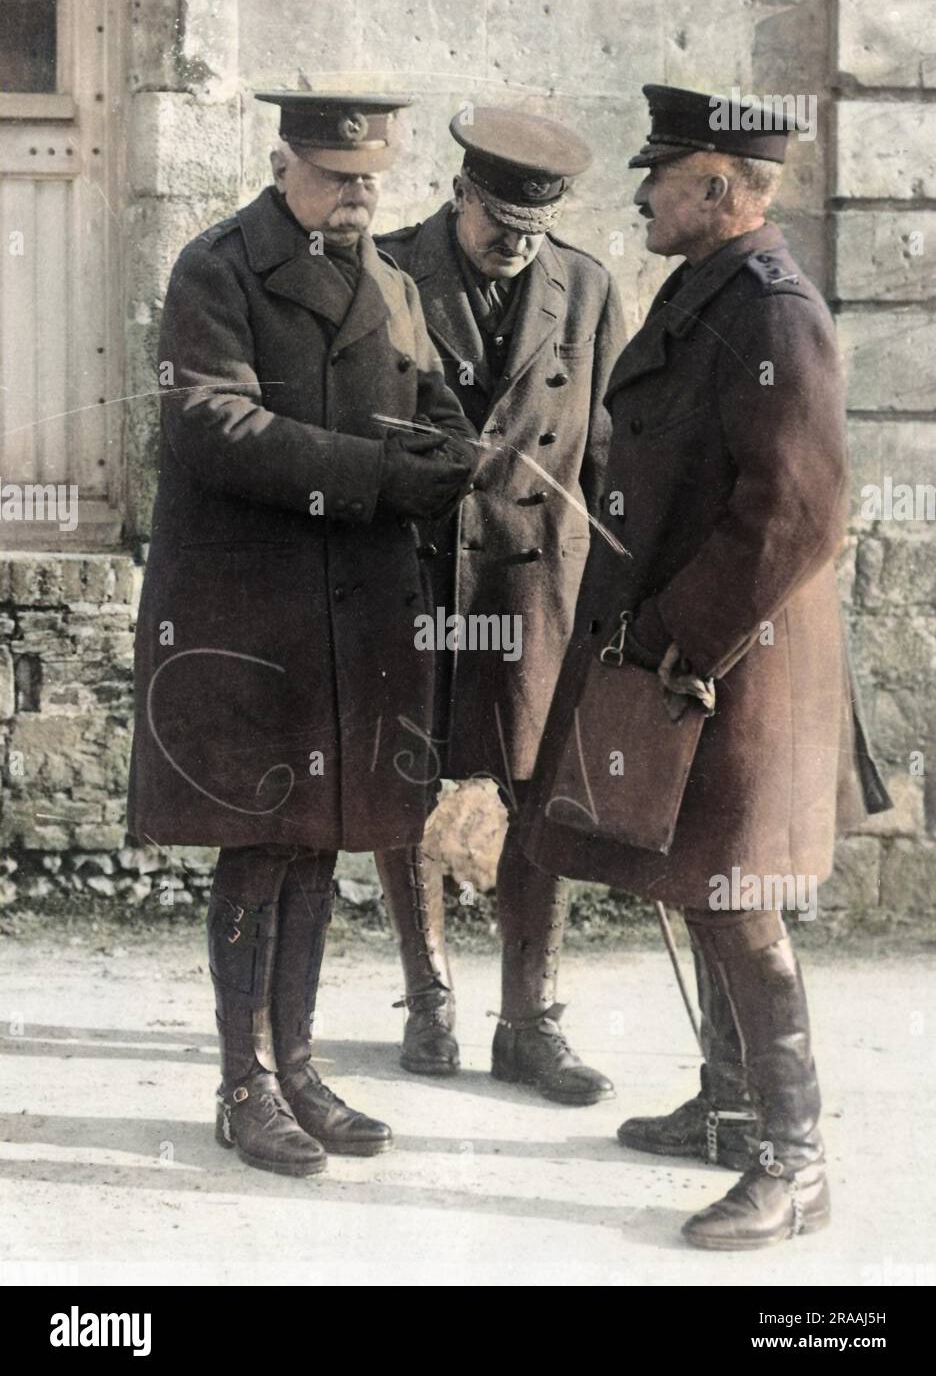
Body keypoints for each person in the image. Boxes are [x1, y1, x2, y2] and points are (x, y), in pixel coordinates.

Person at [521, 85, 891, 1246]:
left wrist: (680, 635)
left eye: (660, 175)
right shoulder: (709, 290)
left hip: (741, 663)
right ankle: (732, 1106)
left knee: (740, 901)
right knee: (698, 880)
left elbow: (801, 513)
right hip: (703, 657)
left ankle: (796, 1161)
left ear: (721, 188)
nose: (640, 195)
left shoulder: (776, 311)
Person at [127, 92, 477, 1176]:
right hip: (253, 607)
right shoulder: (216, 268)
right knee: (260, 840)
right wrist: (379, 476)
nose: (357, 194)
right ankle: (243, 1085)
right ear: (284, 166)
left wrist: (455, 456)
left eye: (371, 178)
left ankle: (301, 1065)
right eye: (334, 176)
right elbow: (211, 423)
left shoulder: (394, 285)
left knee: (325, 835)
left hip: (355, 608)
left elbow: (433, 402)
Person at [375, 107, 625, 1103]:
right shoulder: (387, 274)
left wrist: (614, 585)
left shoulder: (590, 289)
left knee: (538, 796)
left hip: (531, 587)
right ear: (460, 192)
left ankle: (531, 1018)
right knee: (406, 786)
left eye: (533, 229)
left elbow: (610, 451)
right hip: (417, 575)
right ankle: (427, 994)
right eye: (497, 223)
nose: (515, 245)